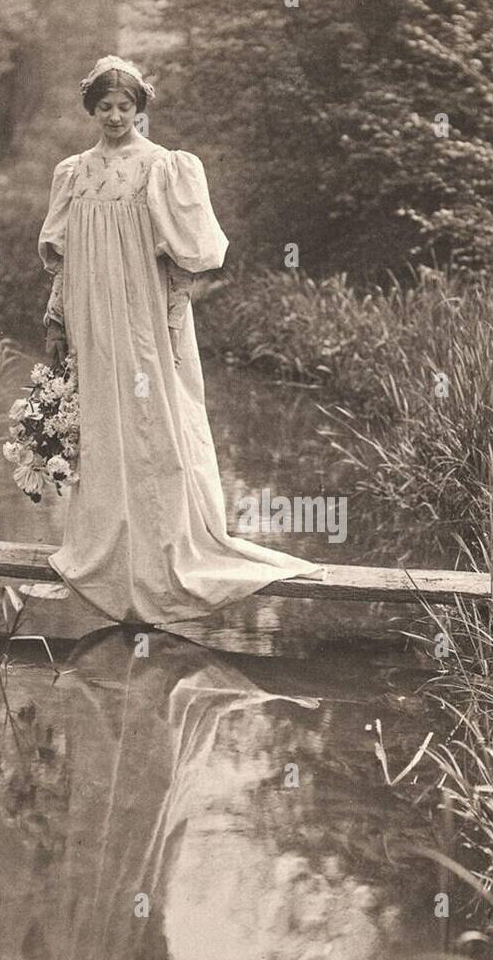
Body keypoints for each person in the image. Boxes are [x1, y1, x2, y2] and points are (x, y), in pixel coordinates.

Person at [36, 54, 325, 625]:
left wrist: (170, 319)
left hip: (143, 312)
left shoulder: (164, 168)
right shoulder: (73, 171)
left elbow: (187, 259)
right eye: (104, 107)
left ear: (140, 109)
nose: (115, 116)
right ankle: (107, 545)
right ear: (91, 109)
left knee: (152, 417)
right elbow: (63, 260)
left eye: (125, 106)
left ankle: (162, 546)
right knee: (101, 418)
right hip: (92, 313)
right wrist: (57, 320)